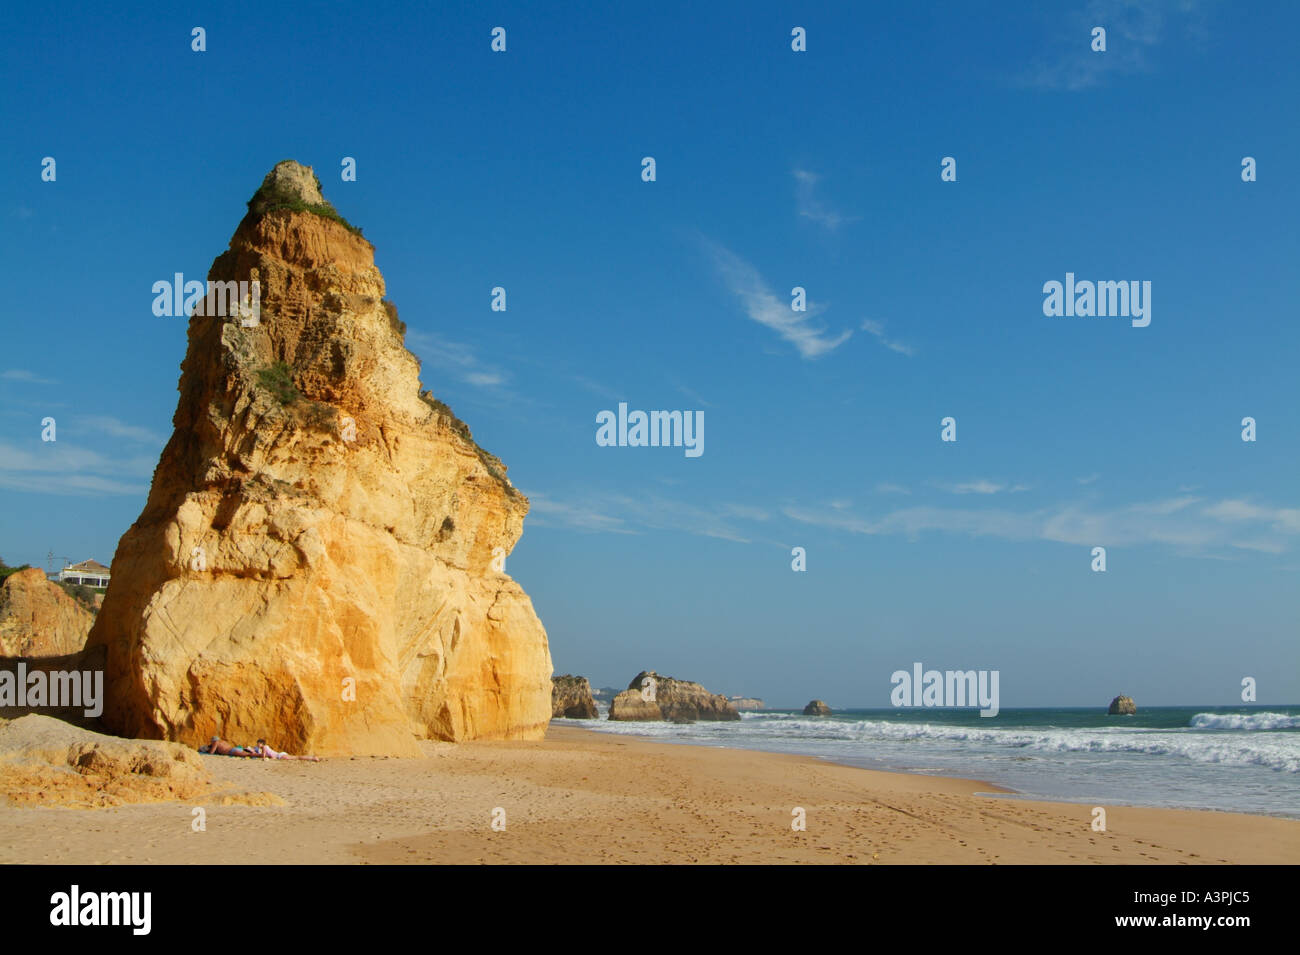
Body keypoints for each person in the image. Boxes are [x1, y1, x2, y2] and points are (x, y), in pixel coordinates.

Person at [251, 738, 321, 762]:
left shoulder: (264, 747)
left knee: (297, 757)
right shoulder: (266, 747)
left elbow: (263, 756)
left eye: (258, 744)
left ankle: (313, 758)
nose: (258, 745)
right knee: (296, 757)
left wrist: (264, 758)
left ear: (261, 744)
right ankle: (312, 758)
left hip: (280, 756)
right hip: (280, 754)